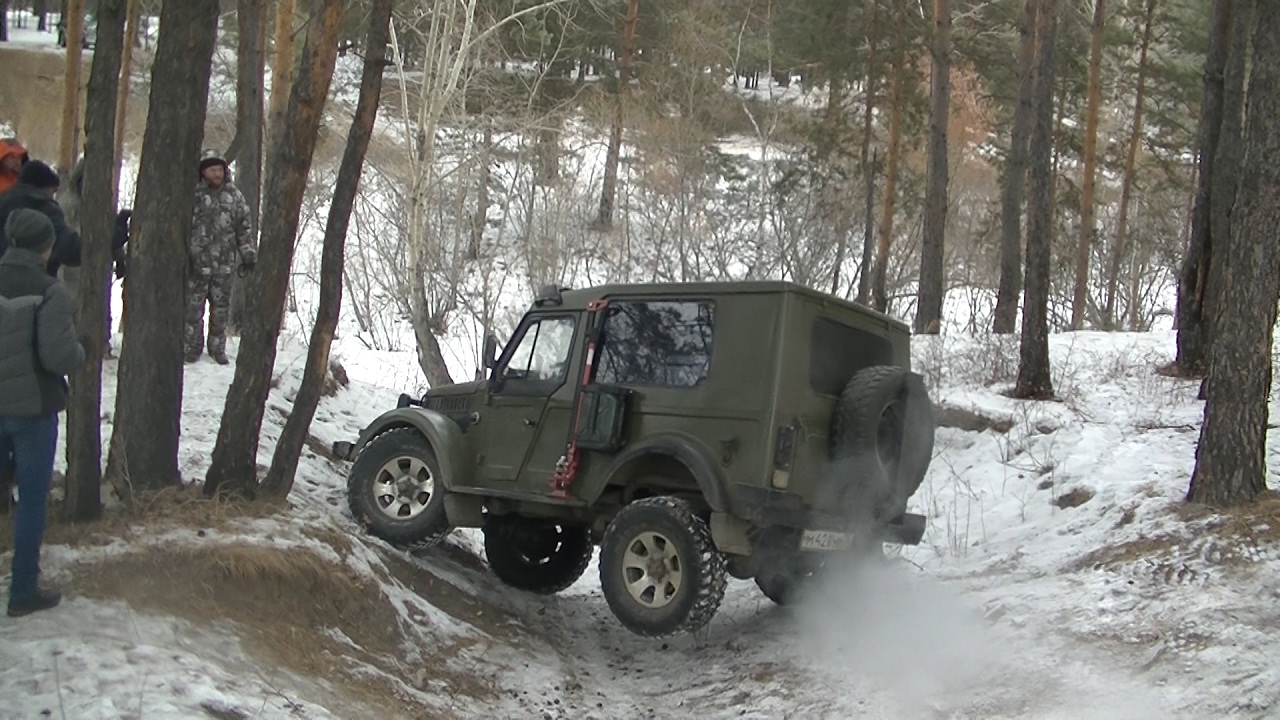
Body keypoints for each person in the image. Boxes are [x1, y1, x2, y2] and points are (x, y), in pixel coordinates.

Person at [0, 209, 86, 617]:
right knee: (32, 501)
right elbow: (59, 357)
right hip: (32, 410)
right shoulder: (50, 291)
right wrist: (82, 350)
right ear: (45, 246)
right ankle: (22, 591)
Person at [186, 149, 254, 365]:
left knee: (221, 310)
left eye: (220, 170)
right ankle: (191, 347)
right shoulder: (193, 195)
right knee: (192, 310)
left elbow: (244, 228)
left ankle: (217, 348)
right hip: (196, 265)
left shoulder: (234, 197)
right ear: (203, 172)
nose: (217, 174)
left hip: (224, 265)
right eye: (212, 170)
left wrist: (248, 254)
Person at [0, 160, 82, 276]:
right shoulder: (44, 207)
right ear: (45, 188)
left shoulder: (3, 202)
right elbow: (67, 248)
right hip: (34, 282)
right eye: (53, 191)